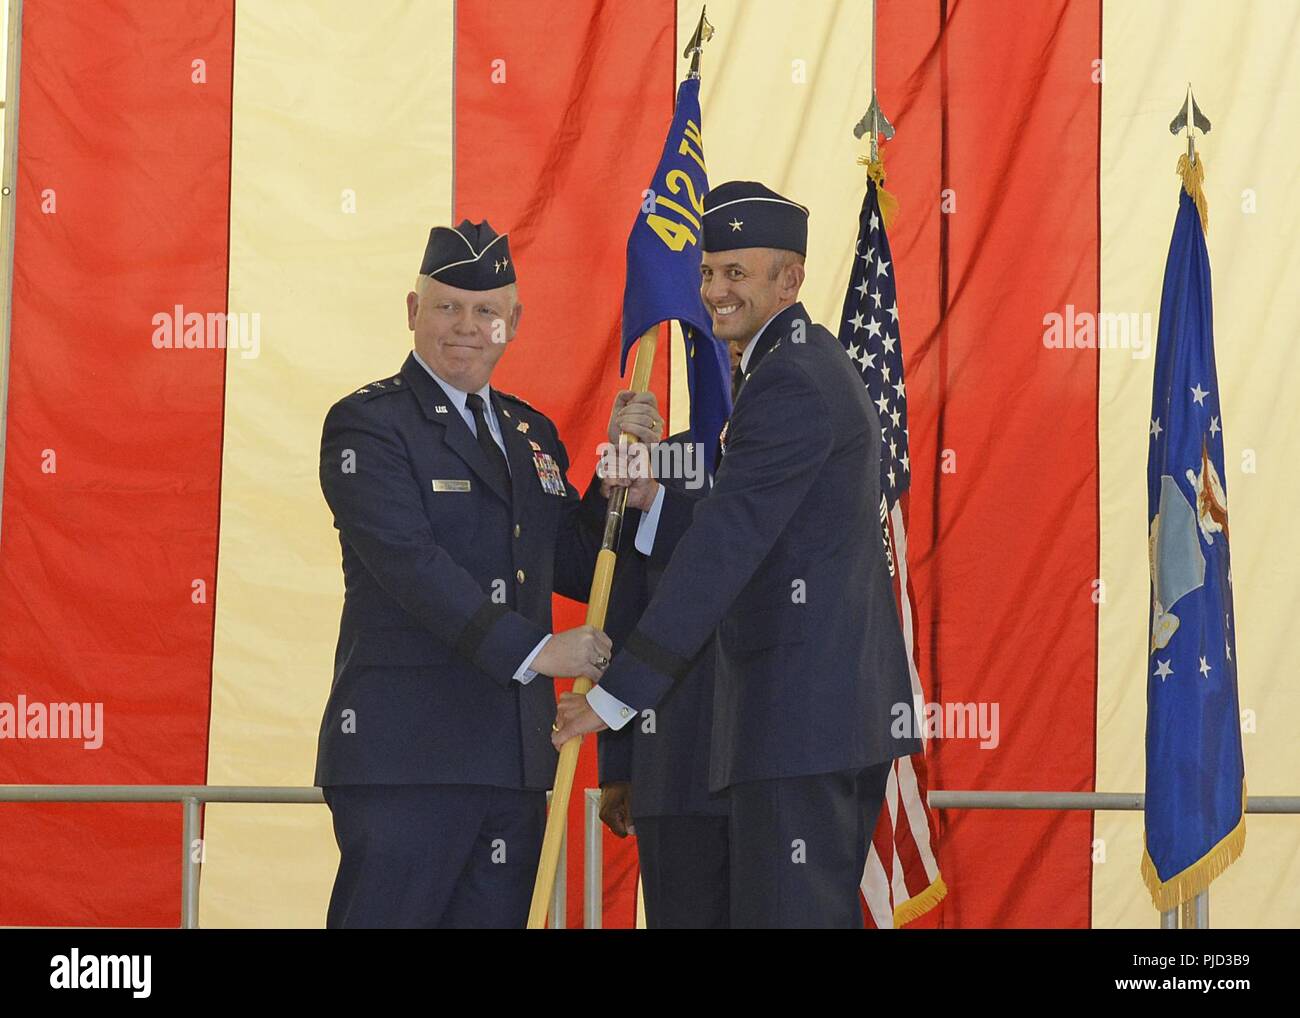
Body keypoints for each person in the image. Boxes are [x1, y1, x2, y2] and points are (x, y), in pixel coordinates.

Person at [554, 181, 921, 928]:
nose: (715, 292)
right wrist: (654, 502)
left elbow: (726, 548)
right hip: (808, 723)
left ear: (790, 279)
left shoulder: (791, 379)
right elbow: (744, 530)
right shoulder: (791, 367)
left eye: (737, 274)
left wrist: (616, 694)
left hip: (800, 725)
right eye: (709, 272)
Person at [315, 218, 660, 928]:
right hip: (408, 762)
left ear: (513, 323)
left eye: (486, 312)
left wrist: (613, 478)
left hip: (514, 761)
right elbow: (411, 566)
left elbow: (569, 554)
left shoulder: (528, 431)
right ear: (414, 312)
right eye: (447, 306)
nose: (466, 327)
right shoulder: (368, 426)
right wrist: (537, 652)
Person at [596, 429, 730, 929]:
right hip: (674, 764)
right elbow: (627, 612)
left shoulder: (816, 436)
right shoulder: (670, 456)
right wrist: (618, 765)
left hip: (783, 770)